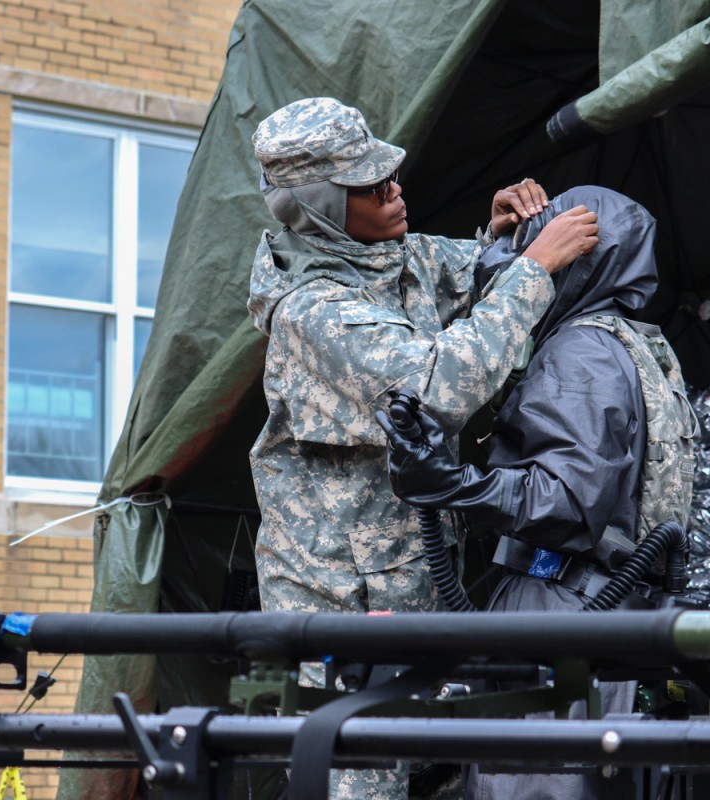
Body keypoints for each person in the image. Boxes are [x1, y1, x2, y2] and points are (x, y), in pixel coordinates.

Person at [246, 97, 599, 799]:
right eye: (374, 188)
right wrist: (535, 266)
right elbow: (438, 383)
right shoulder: (312, 310)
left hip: (414, 591)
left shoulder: (382, 254)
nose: (395, 193)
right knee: (359, 781)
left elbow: (456, 269)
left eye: (392, 178)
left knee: (433, 775)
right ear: (321, 207)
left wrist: (500, 241)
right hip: (340, 609)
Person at [376, 185, 698, 800]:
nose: (530, 262)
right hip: (604, 618)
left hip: (555, 609)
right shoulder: (636, 346)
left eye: (547, 249)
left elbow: (569, 502)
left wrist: (450, 484)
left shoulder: (579, 351)